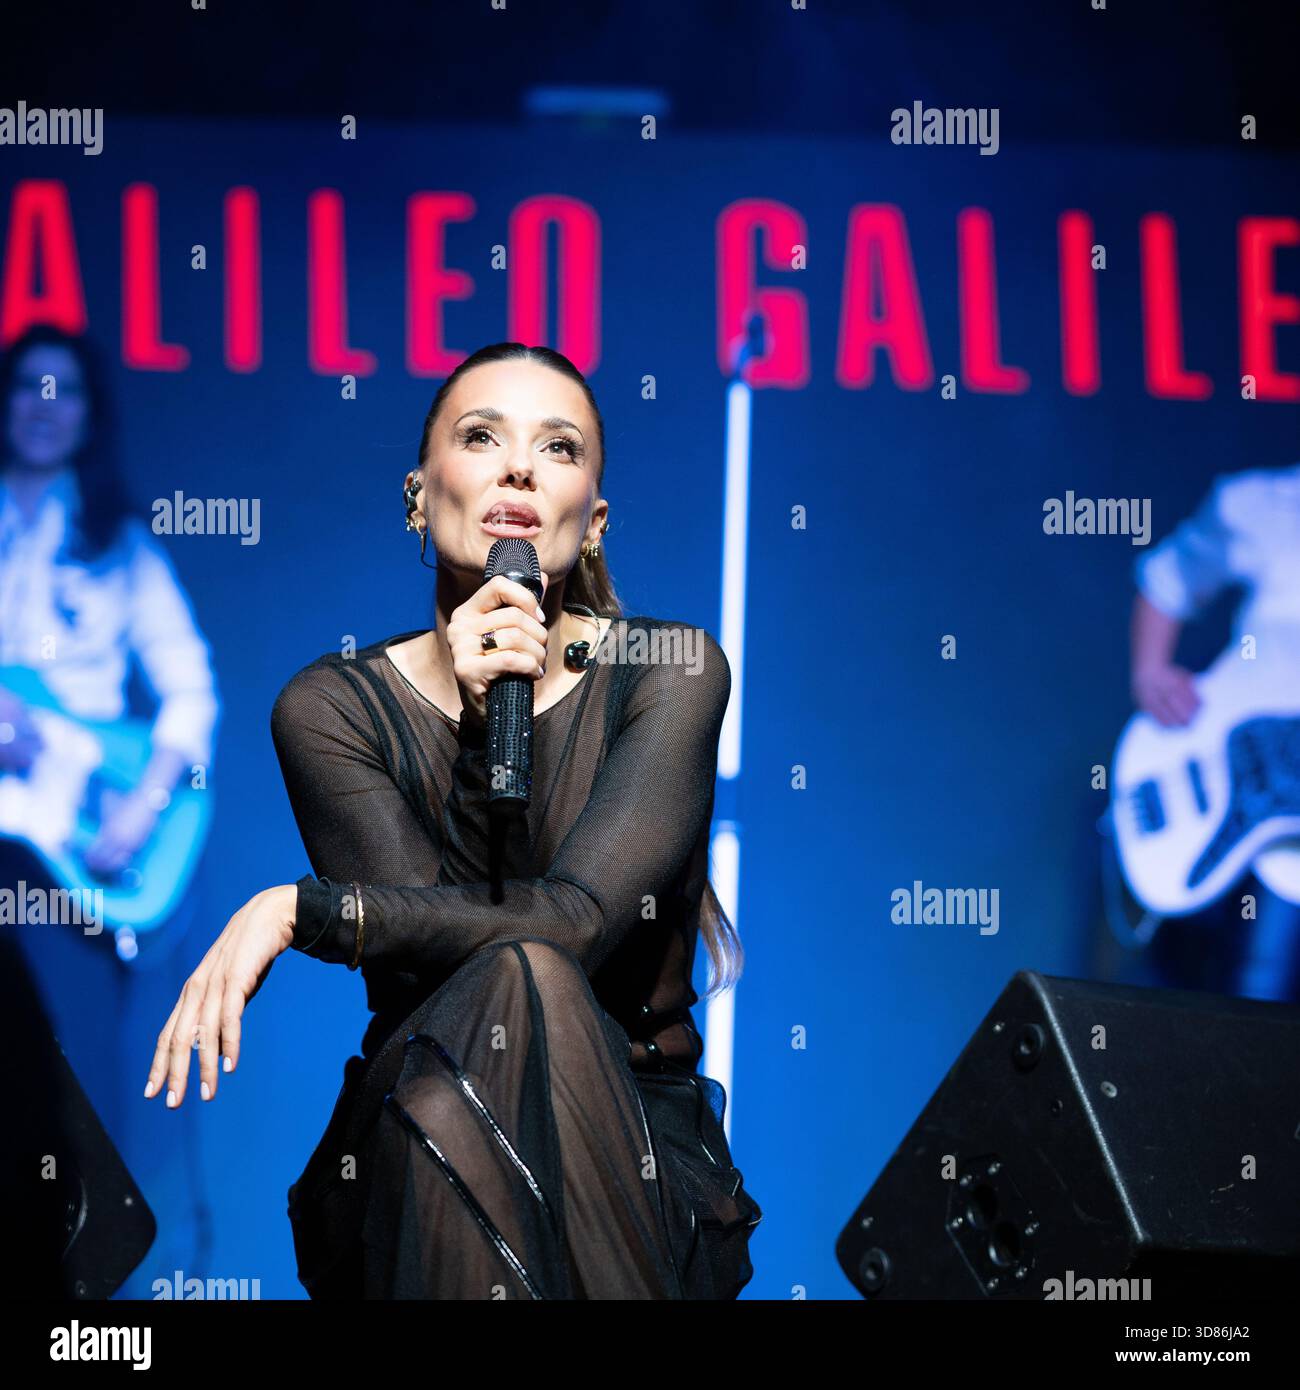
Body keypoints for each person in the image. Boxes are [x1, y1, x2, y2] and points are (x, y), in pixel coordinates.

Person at [144, 342, 763, 1299]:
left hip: (634, 1153)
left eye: (558, 449)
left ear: (590, 523)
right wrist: (482, 730)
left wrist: (302, 911)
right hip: (420, 1125)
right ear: (419, 497)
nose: (519, 466)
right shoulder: (330, 708)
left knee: (539, 970)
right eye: (482, 437)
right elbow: (446, 975)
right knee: (507, 984)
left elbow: (578, 927)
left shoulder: (671, 672)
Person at [0, 323, 220, 1135]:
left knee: (63, 1095)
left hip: (73, 861)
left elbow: (191, 693)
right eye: (29, 384)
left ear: (90, 415)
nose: (44, 406)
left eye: (66, 389)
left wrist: (142, 807)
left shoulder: (120, 549)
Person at [1130, 460, 1300, 1001]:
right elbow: (1168, 579)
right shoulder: (1265, 503)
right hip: (1225, 798)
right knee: (1234, 1021)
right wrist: (1151, 672)